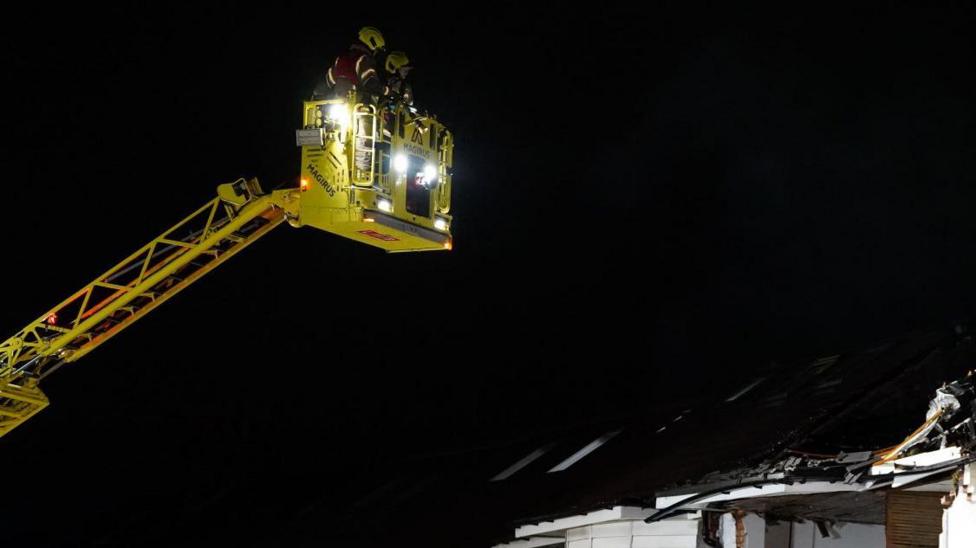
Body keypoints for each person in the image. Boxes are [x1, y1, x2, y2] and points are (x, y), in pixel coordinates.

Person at [313, 27, 389, 101]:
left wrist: (317, 94)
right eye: (377, 50)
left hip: (339, 102)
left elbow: (328, 80)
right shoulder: (364, 59)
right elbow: (370, 81)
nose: (376, 53)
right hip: (356, 105)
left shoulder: (342, 58)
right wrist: (386, 91)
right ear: (373, 44)